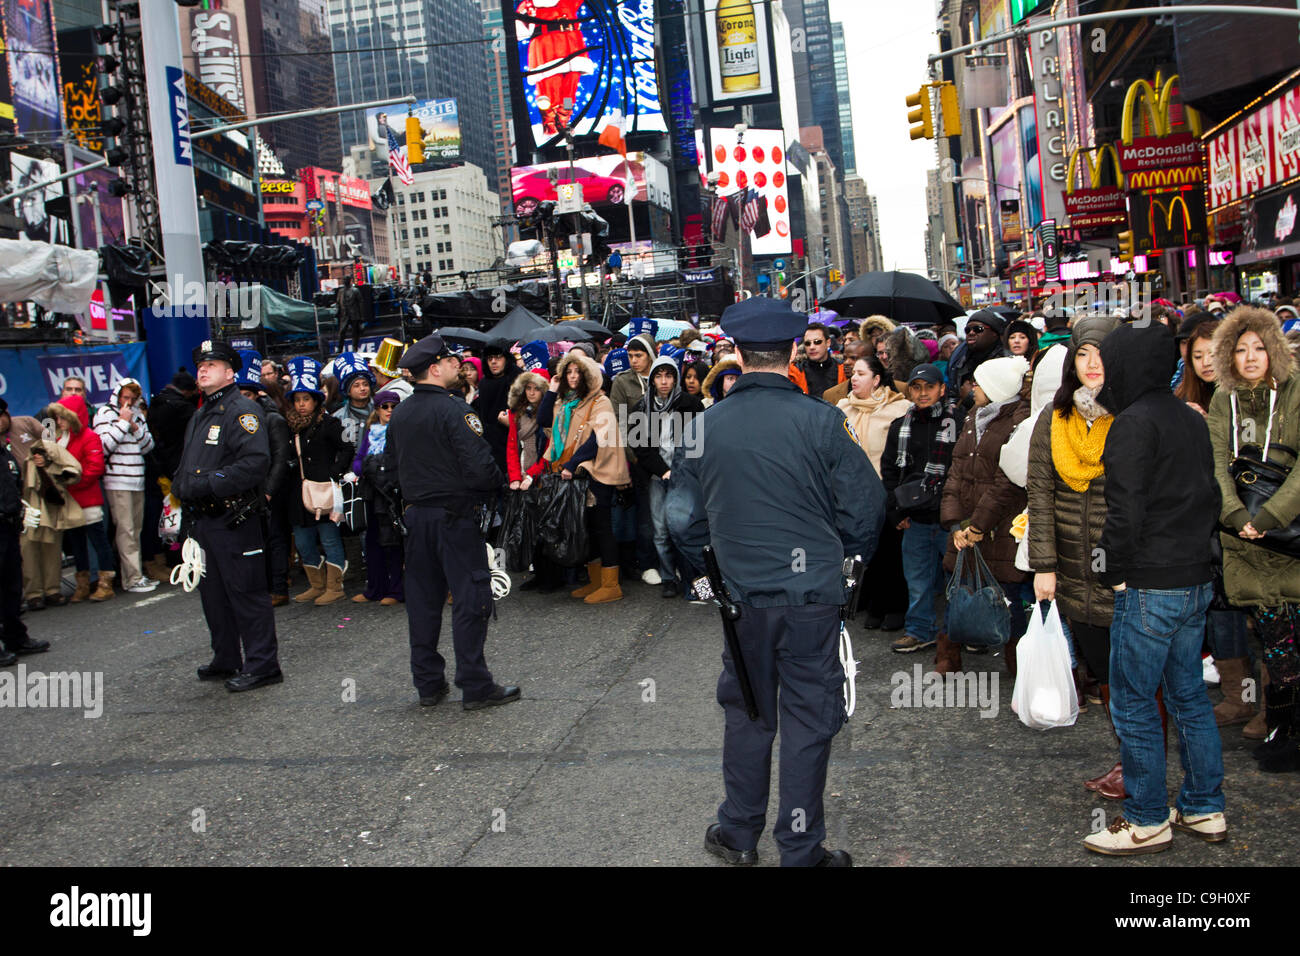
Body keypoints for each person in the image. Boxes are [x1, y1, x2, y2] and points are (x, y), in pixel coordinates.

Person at [667, 297, 884, 867]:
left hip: (742, 599)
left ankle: (738, 833)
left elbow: (680, 520)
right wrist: (846, 567)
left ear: (736, 353)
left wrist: (708, 572)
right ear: (792, 352)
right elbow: (865, 507)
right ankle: (800, 849)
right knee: (810, 720)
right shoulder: (822, 420)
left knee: (747, 713)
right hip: (812, 594)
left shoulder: (702, 428)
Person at [1085, 322, 1224, 855]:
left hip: (1150, 582)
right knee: (1188, 696)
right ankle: (1204, 806)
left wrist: (1112, 568)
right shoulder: (1186, 417)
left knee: (1136, 703)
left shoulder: (1133, 423)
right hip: (1193, 579)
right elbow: (1207, 496)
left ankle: (1146, 818)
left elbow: (1125, 510)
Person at [388, 334, 520, 710]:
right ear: (434, 368)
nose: (455, 366)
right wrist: (494, 483)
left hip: (416, 518)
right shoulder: (453, 410)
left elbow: (389, 468)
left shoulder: (401, 412)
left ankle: (428, 684)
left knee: (424, 602)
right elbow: (481, 469)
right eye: (449, 362)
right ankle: (475, 685)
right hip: (454, 518)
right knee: (470, 598)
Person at [1026, 319, 1125, 797]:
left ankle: (1140, 763)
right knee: (1103, 667)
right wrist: (1044, 565)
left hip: (1122, 567)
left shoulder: (1129, 413)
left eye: (1101, 353)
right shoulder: (1054, 416)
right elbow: (1039, 491)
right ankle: (1128, 756)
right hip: (1070, 566)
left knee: (1137, 671)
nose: (1092, 364)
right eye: (1083, 354)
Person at [1207, 307, 1300, 772]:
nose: (1249, 356)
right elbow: (1215, 460)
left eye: (1259, 347)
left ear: (1274, 350)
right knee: (1276, 644)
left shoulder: (1296, 391)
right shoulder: (1224, 399)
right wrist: (1237, 514)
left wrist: (1273, 516)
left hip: (1292, 535)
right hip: (1244, 538)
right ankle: (1283, 732)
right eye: (1240, 349)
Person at [171, 341, 282, 693]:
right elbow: (189, 463)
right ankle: (226, 657)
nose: (203, 370)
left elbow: (254, 464)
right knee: (213, 595)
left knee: (247, 593)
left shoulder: (241, 411)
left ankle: (263, 665)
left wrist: (204, 484)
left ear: (230, 372)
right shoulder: (201, 412)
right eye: (201, 365)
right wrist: (182, 484)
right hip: (204, 521)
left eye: (213, 364)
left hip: (233, 517)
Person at [937, 355, 1032, 674]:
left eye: (979, 382)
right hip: (964, 525)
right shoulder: (972, 416)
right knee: (956, 590)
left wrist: (978, 525)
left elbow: (1008, 482)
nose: (973, 387)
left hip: (1000, 526)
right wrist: (954, 523)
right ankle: (949, 654)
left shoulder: (1019, 420)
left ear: (997, 387)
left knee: (1007, 596)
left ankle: (1017, 661)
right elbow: (956, 470)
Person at [541, 351, 630, 603]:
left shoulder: (600, 401)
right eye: (568, 372)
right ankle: (596, 581)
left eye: (577, 372)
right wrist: (551, 389)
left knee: (602, 527)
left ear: (587, 375)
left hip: (598, 471)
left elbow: (597, 438)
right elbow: (543, 419)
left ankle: (612, 585)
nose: (572, 376)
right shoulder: (567, 402)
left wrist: (572, 462)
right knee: (586, 527)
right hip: (577, 472)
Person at [837, 355, 910, 630]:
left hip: (885, 490)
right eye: (851, 373)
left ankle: (895, 607)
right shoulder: (843, 407)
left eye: (860, 373)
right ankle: (871, 604)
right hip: (852, 492)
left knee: (890, 552)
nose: (853, 378)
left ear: (877, 379)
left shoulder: (899, 407)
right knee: (861, 550)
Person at [634, 355, 704, 598]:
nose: (664, 381)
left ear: (675, 378)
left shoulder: (691, 404)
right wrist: (663, 470)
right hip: (656, 477)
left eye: (669, 375)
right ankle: (668, 577)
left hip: (686, 477)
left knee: (688, 529)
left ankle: (697, 583)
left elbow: (698, 442)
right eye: (659, 376)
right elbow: (641, 448)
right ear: (652, 379)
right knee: (661, 530)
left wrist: (683, 470)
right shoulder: (641, 407)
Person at [285, 357, 352, 606]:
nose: (302, 405)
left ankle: (335, 586)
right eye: (297, 400)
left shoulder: (330, 423)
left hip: (324, 489)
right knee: (302, 539)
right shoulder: (290, 426)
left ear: (316, 400)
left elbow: (347, 448)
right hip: (298, 490)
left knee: (329, 536)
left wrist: (334, 472)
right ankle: (316, 584)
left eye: (306, 399)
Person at [235, 353, 293, 606]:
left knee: (276, 539)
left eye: (247, 395)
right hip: (248, 489)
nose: (242, 401)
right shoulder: (238, 420)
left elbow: (281, 458)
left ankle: (278, 588)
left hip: (273, 491)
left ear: (257, 395)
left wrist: (269, 491)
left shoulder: (272, 420)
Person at [45, 394, 114, 602]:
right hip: (69, 500)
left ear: (73, 417)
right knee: (77, 544)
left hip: (87, 498)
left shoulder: (89, 436)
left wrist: (72, 481)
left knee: (98, 542)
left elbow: (95, 467)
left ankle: (105, 582)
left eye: (62, 417)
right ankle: (83, 584)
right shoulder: (59, 438)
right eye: (56, 418)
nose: (59, 422)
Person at [92, 378, 157, 594]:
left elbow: (148, 445)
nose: (128, 402)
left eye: (132, 398)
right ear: (117, 395)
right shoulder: (104, 413)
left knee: (135, 529)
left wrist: (135, 426)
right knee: (126, 529)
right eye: (125, 397)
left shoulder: (137, 414)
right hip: (117, 479)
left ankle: (135, 573)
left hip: (137, 478)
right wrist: (122, 423)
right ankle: (132, 578)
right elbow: (102, 446)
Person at [1, 403, 49, 664]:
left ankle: (16, 637)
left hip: (10, 522)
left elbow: (50, 437)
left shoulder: (9, 447)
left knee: (11, 585)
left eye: (2, 414)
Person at [609, 331, 659, 584]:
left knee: (671, 512)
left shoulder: (664, 375)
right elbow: (618, 422)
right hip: (638, 458)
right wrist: (633, 455)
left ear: (650, 355)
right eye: (630, 355)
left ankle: (672, 562)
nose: (634, 360)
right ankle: (648, 562)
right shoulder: (621, 382)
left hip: (667, 455)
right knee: (646, 514)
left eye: (638, 355)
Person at [351, 389, 405, 606]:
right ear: (377, 410)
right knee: (372, 542)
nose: (389, 411)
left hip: (393, 494)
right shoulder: (371, 431)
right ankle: (375, 587)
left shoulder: (403, 431)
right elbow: (357, 462)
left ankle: (397, 590)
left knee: (394, 543)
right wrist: (368, 467)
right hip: (373, 492)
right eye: (385, 407)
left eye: (394, 406)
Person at [144, 371, 199, 582]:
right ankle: (189, 557)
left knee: (169, 517)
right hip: (182, 466)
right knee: (186, 515)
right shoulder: (183, 408)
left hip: (161, 468)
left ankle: (174, 555)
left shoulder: (156, 404)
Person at [506, 370, 557, 591]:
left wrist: (532, 475)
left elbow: (550, 449)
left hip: (543, 474)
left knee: (546, 528)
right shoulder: (517, 414)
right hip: (524, 473)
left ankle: (551, 576)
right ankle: (538, 573)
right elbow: (511, 446)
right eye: (528, 388)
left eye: (537, 388)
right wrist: (515, 476)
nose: (532, 392)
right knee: (530, 527)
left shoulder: (548, 413)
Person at [475, 341, 522, 477]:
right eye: (490, 359)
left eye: (498, 358)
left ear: (506, 358)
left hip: (513, 440)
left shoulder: (519, 379)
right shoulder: (484, 382)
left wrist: (513, 423)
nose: (493, 362)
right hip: (489, 443)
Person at [947, 310, 1010, 406]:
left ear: (994, 333)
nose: (971, 333)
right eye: (967, 330)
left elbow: (1007, 403)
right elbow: (954, 394)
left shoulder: (1006, 362)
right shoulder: (960, 359)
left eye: (978, 329)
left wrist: (970, 397)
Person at [331, 352, 375, 451]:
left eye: (365, 384)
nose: (362, 388)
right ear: (348, 392)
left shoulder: (382, 410)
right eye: (356, 385)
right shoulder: (338, 418)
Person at [788, 322, 846, 396]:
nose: (812, 347)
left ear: (828, 343)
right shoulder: (794, 372)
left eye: (817, 342)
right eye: (807, 343)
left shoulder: (843, 368)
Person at [337, 275, 365, 353]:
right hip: (344, 315)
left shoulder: (355, 290)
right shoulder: (341, 291)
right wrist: (337, 312)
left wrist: (361, 316)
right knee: (342, 332)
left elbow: (361, 303)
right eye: (344, 280)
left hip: (354, 314)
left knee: (355, 333)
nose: (344, 281)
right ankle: (340, 348)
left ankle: (354, 348)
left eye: (346, 280)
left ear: (349, 281)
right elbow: (338, 303)